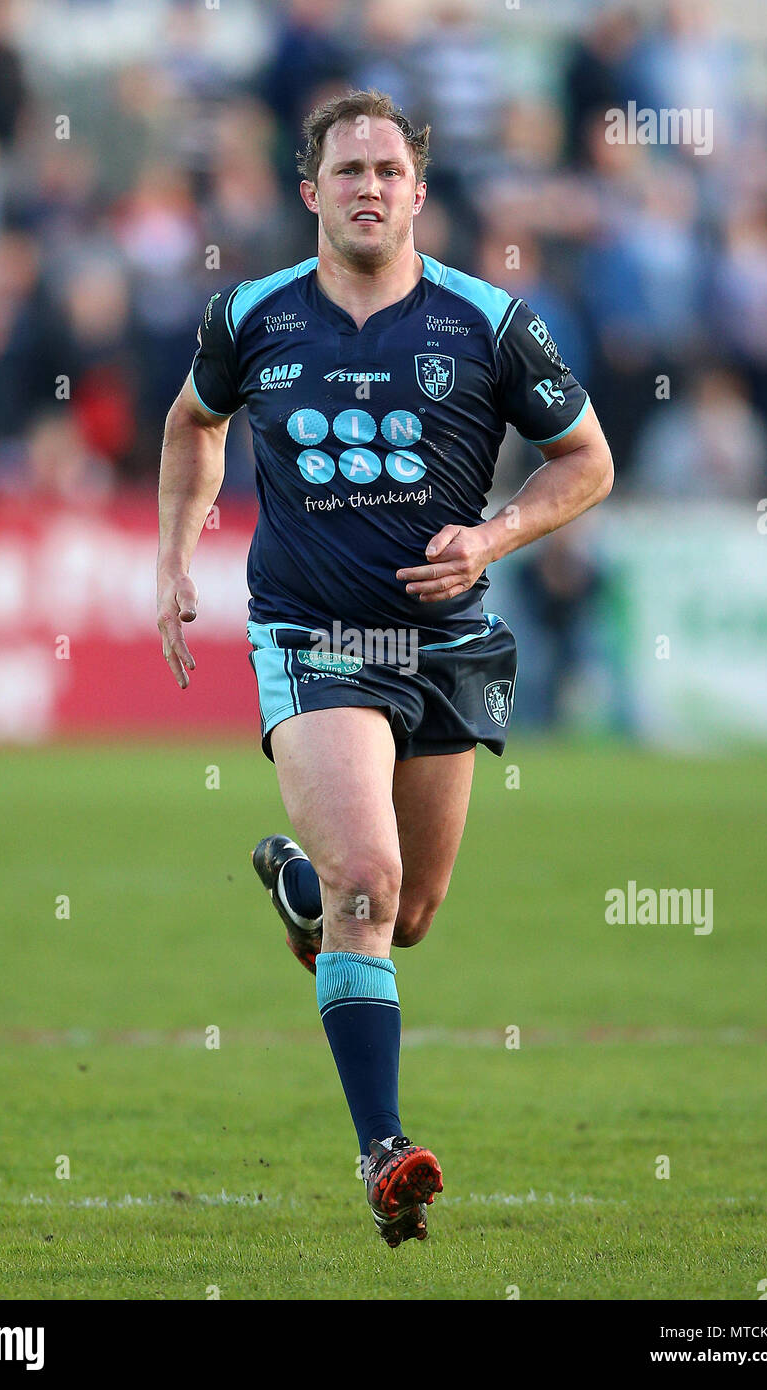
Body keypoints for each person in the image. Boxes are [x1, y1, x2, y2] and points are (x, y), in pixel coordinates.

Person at [156, 90, 613, 1247]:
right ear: (311, 192)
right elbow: (192, 426)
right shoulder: (249, 315)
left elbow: (587, 461)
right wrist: (175, 558)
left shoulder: (492, 321)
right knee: (369, 880)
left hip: (446, 645)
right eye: (347, 169)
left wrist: (490, 536)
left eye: (389, 170)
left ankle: (304, 897)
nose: (369, 187)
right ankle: (383, 1150)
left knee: (405, 914)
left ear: (418, 190)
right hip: (312, 635)